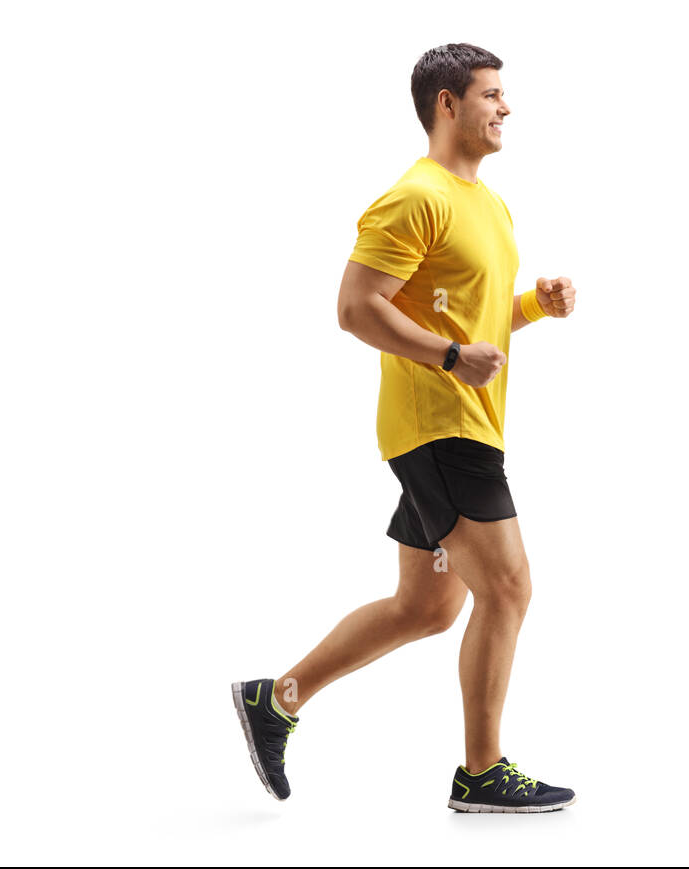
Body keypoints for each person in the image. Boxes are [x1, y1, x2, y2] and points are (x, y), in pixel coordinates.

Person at [232, 43, 578, 813]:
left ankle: (276, 700)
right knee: (511, 587)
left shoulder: (488, 204)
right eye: (490, 94)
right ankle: (481, 772)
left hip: (464, 423)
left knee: (427, 607)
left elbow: (468, 319)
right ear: (447, 105)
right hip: (440, 426)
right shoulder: (413, 197)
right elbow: (357, 309)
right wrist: (450, 357)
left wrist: (530, 308)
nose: (506, 107)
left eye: (503, 94)